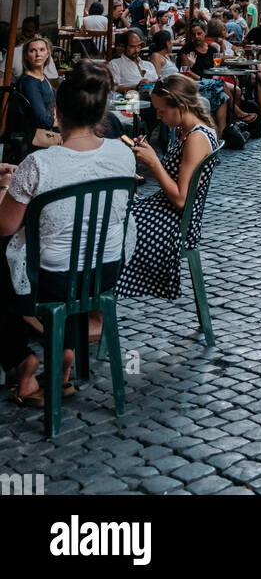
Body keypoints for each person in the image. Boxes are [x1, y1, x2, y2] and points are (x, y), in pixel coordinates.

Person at [0, 61, 137, 406]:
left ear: (56, 111)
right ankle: (66, 354)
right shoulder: (123, 154)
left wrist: (9, 187)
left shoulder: (39, 164)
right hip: (104, 272)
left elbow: (5, 226)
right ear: (101, 110)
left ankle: (21, 359)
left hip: (52, 280)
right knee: (74, 254)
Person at [116, 75, 220, 302]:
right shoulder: (186, 130)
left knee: (113, 227)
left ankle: (100, 300)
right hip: (165, 211)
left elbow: (182, 200)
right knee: (114, 215)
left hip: (176, 222)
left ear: (180, 107)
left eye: (161, 111)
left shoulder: (196, 139)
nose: (159, 117)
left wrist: (153, 163)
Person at [16, 36, 57, 140]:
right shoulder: (30, 83)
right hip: (41, 135)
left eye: (42, 50)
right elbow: (42, 119)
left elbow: (56, 98)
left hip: (51, 126)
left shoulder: (43, 77)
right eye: (32, 51)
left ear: (47, 54)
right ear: (26, 55)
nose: (38, 54)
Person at [9, 18, 59, 83]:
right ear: (26, 55)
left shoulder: (43, 52)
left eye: (29, 31)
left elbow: (54, 79)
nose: (26, 34)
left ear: (37, 32)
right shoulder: (15, 51)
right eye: (32, 51)